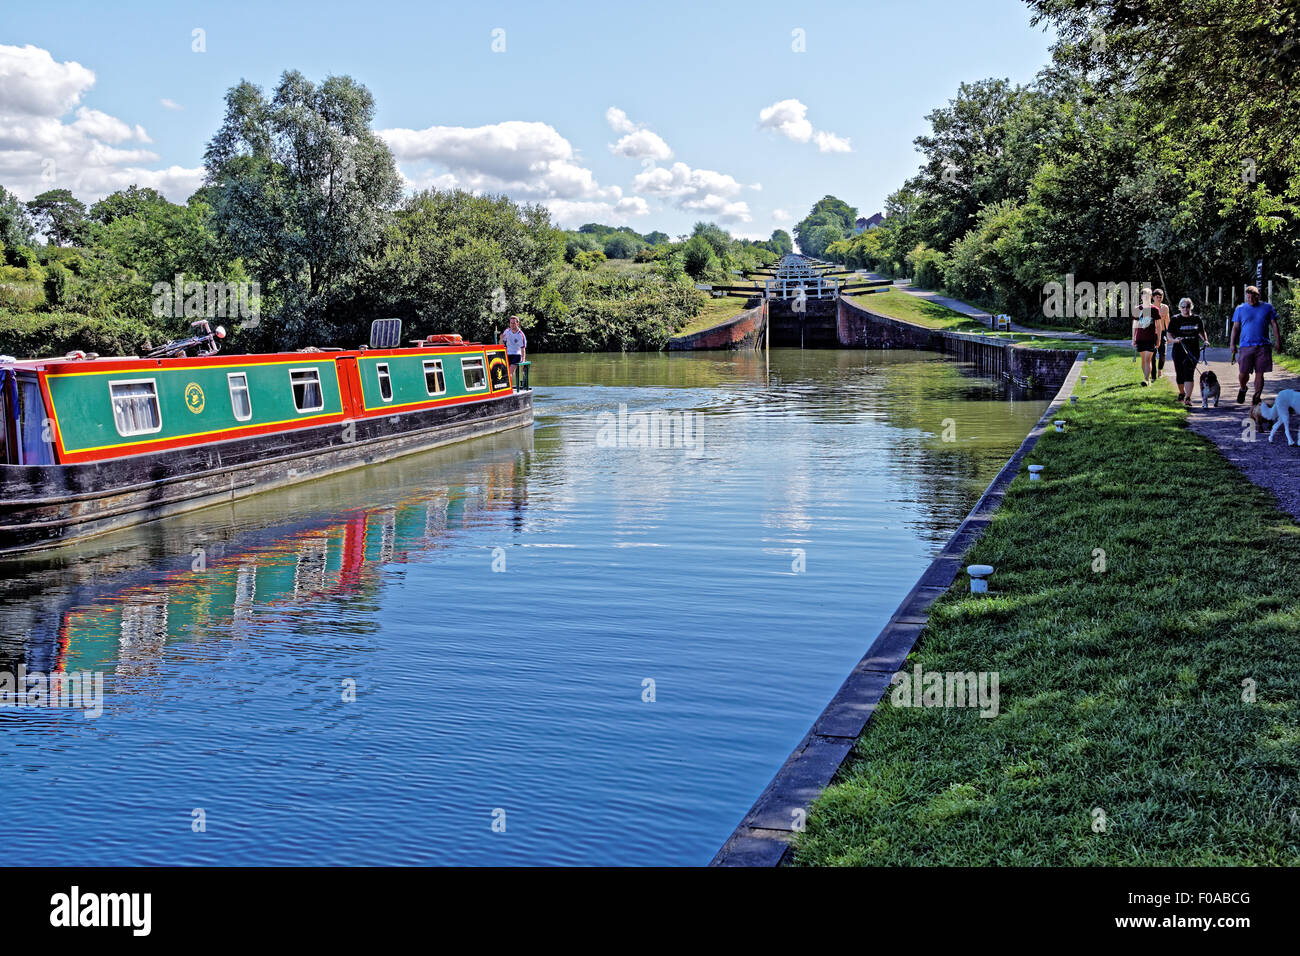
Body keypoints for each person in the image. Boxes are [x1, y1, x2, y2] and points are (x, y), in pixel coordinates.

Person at [1229, 286, 1282, 404]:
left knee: (1260, 373)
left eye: (1252, 298)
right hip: (1245, 346)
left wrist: (1278, 341)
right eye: (1248, 298)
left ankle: (1257, 396)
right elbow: (1235, 327)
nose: (1250, 300)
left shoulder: (1267, 307)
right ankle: (1243, 388)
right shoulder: (1240, 308)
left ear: (1257, 296)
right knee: (1243, 373)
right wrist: (1232, 344)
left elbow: (1274, 324)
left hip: (1263, 346)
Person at [1168, 297, 1208, 406]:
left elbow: (1201, 331)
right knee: (1179, 373)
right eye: (1183, 307)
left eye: (1188, 307)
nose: (1186, 309)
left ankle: (1188, 398)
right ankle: (1181, 393)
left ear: (1191, 307)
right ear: (1180, 308)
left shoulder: (1196, 318)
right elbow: (1169, 334)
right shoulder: (1175, 319)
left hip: (1193, 349)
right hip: (1179, 349)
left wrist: (1205, 340)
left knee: (1189, 372)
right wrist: (1175, 340)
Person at [1132, 288, 1161, 386]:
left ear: (1151, 297)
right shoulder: (1137, 309)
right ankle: (1146, 378)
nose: (1146, 297)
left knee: (1148, 360)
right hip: (1140, 338)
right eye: (1144, 295)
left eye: (1148, 295)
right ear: (1141, 297)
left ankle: (1146, 379)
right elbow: (1135, 324)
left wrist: (1159, 339)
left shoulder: (1154, 309)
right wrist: (1133, 338)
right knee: (1143, 359)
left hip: (1151, 338)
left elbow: (1158, 325)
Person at [500, 315, 527, 384]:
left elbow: (523, 349)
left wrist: (523, 360)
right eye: (511, 323)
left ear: (517, 323)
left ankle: (506, 387)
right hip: (508, 354)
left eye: (514, 323)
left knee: (510, 371)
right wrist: (501, 339)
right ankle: (503, 386)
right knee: (501, 372)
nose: (512, 325)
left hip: (517, 354)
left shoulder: (521, 335)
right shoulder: (507, 331)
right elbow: (501, 345)